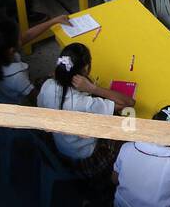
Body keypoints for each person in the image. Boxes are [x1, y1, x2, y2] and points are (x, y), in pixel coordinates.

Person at [37, 43, 136, 178]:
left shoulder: (48, 85)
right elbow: (129, 103)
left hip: (61, 144)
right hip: (83, 154)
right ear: (86, 69)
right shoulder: (84, 104)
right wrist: (93, 88)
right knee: (127, 131)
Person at [0, 16, 71, 105]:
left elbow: (28, 35)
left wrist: (54, 21)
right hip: (12, 106)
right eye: (19, 37)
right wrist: (54, 81)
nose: (23, 36)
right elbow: (37, 100)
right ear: (11, 50)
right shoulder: (18, 77)